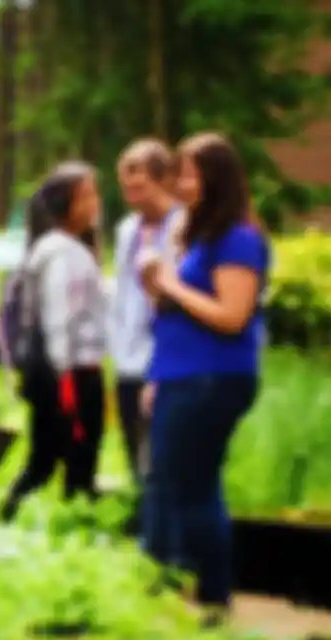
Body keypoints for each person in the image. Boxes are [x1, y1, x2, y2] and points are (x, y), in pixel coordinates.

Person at [138, 131, 269, 620]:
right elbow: (178, 311)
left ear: (217, 178)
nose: (183, 184)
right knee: (183, 483)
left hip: (211, 378)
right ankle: (197, 591)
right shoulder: (200, 236)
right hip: (182, 375)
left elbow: (232, 315)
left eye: (191, 174)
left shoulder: (238, 238)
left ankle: (213, 598)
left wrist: (171, 283)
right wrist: (157, 285)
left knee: (189, 486)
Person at [0, 161, 107, 521]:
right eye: (87, 195)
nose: (96, 204)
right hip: (70, 373)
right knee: (71, 459)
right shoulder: (61, 252)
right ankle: (73, 529)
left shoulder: (63, 248)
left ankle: (13, 517)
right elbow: (59, 317)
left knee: (45, 459)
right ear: (66, 203)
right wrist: (66, 381)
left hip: (62, 371)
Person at [110, 138, 184, 528]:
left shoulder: (183, 226)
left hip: (166, 356)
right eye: (126, 188)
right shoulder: (127, 230)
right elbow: (122, 292)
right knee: (133, 451)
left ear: (163, 180)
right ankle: (145, 526)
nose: (132, 196)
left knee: (161, 455)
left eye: (139, 186)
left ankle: (165, 534)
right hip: (127, 357)